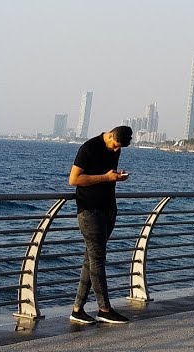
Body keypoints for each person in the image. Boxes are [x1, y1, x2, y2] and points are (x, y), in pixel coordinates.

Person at [67, 125, 133, 325]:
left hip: (108, 209)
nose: (116, 150)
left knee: (91, 260)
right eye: (115, 145)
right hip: (89, 210)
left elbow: (106, 175)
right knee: (97, 259)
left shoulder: (116, 149)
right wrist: (106, 177)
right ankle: (104, 309)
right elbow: (74, 179)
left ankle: (77, 309)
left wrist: (116, 177)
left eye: (119, 148)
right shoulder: (89, 148)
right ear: (110, 135)